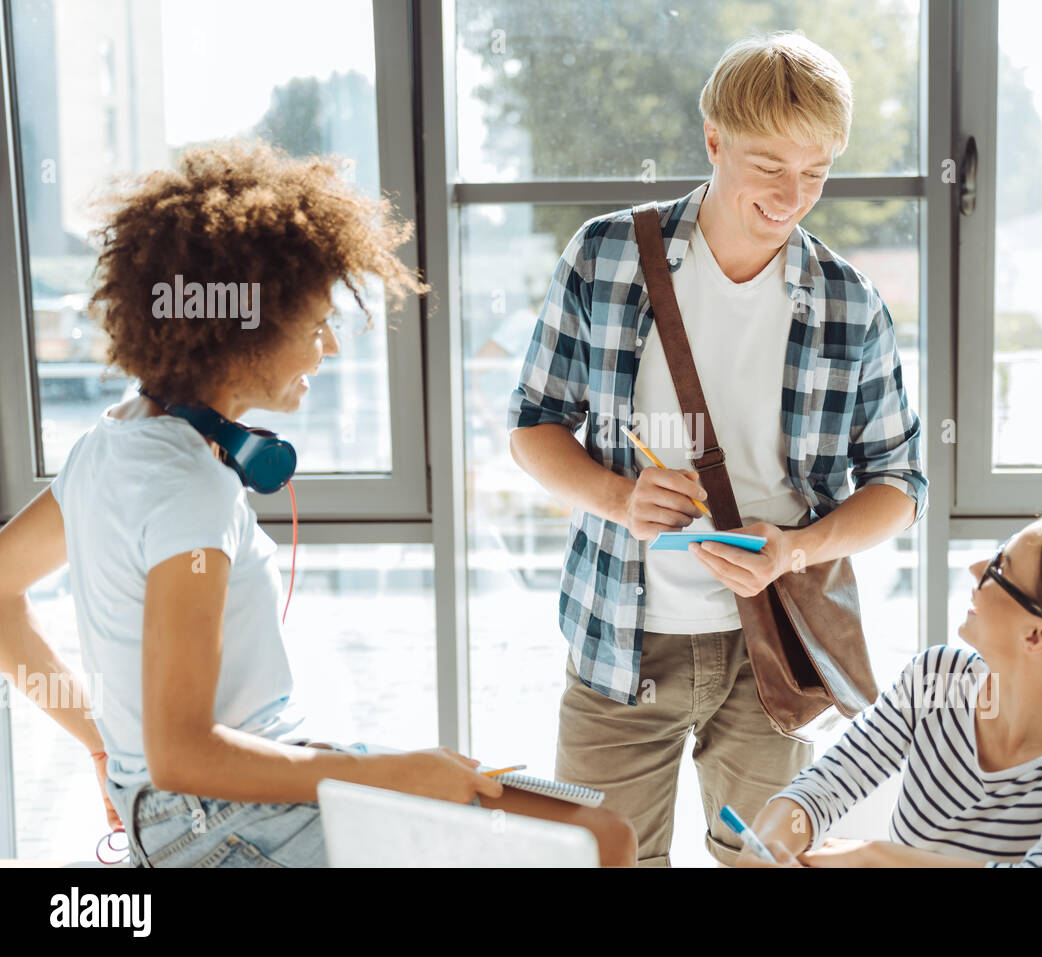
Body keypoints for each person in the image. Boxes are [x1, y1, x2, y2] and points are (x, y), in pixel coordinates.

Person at [0, 140, 635, 867]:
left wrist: (105, 742)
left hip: (210, 801)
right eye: (314, 325)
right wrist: (387, 773)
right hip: (219, 819)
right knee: (594, 838)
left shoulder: (110, 442)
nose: (329, 345)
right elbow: (180, 754)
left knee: (597, 830)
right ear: (241, 336)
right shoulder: (189, 488)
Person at [507, 31, 926, 866]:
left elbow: (900, 481)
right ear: (713, 140)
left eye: (815, 171)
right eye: (769, 165)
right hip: (618, 638)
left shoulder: (850, 302)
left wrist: (797, 549)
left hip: (771, 646)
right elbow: (532, 427)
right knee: (596, 859)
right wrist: (618, 498)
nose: (792, 194)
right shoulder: (605, 257)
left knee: (766, 863)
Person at [738, 507, 1042, 867]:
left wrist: (879, 860)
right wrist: (769, 845)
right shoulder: (937, 680)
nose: (974, 568)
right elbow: (825, 787)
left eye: (1000, 568)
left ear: (1037, 636)